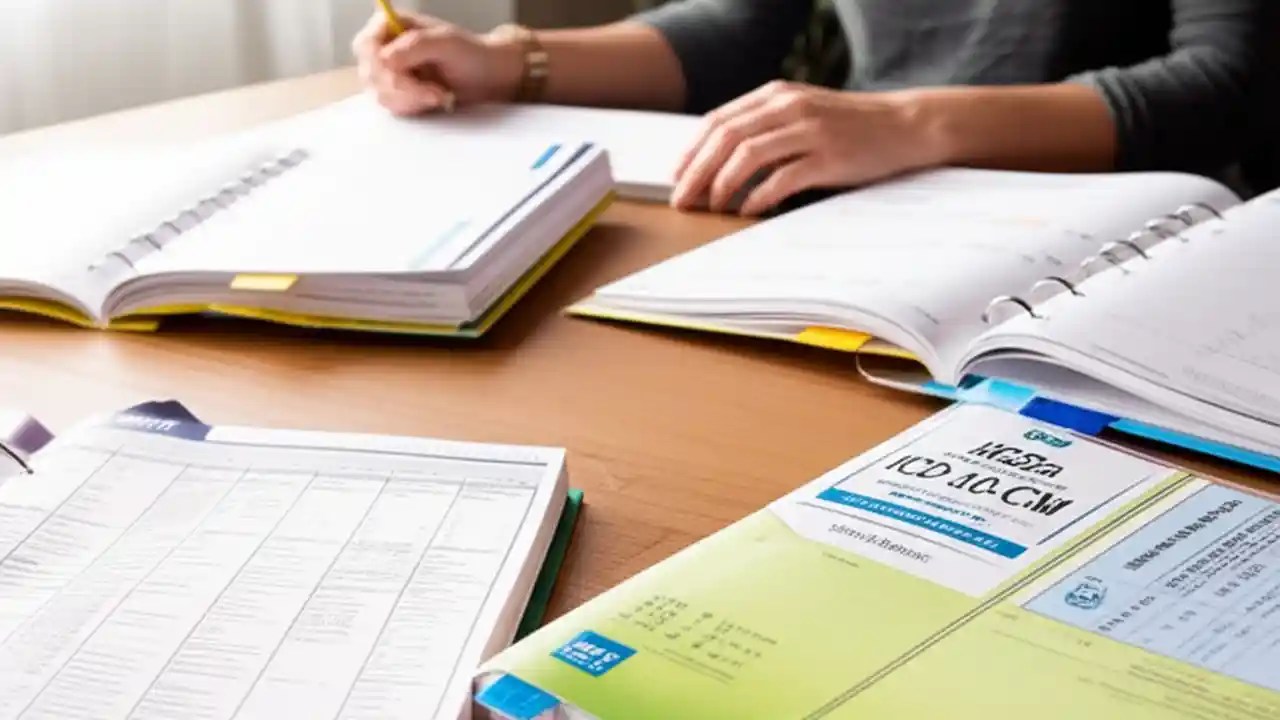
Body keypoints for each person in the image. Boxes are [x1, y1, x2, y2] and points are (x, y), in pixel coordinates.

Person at [352, 1, 1272, 216]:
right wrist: (515, 63)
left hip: (1124, 218)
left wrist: (908, 124)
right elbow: (740, 23)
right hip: (865, 201)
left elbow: (1226, 87)